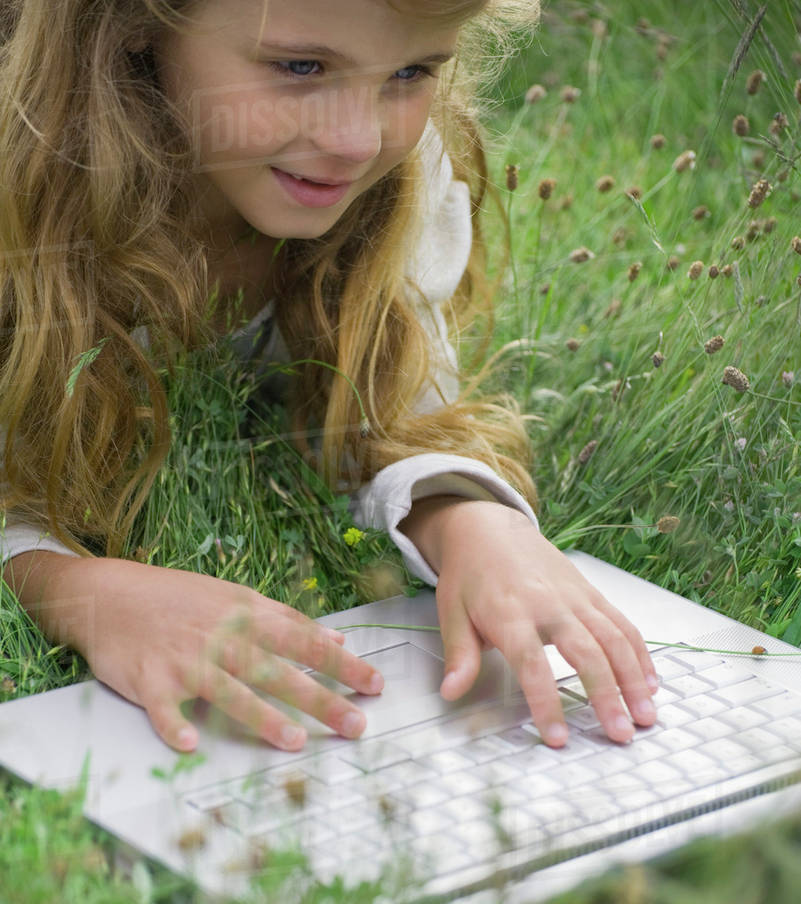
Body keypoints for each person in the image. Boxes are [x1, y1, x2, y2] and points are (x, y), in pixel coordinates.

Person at [0, 0, 659, 758]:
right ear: (134, 25)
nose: (358, 139)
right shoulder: (28, 193)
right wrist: (74, 591)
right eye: (300, 67)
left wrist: (466, 519)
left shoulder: (400, 180)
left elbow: (390, 414)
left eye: (411, 73)